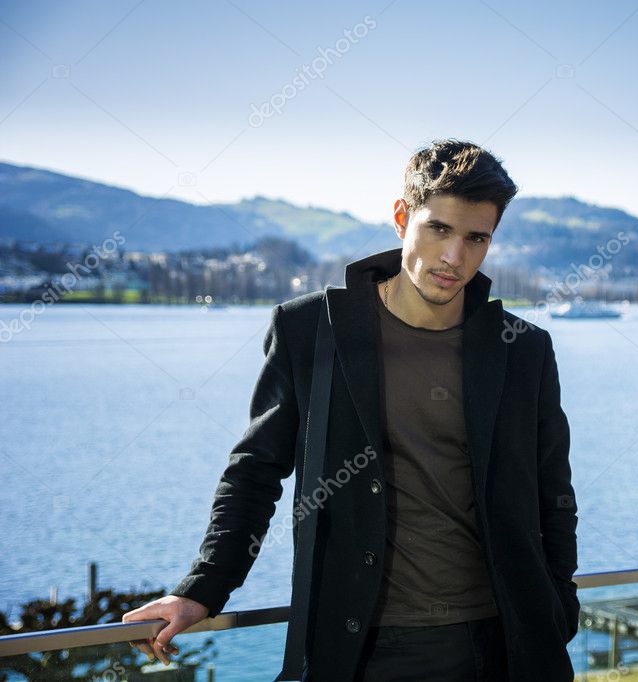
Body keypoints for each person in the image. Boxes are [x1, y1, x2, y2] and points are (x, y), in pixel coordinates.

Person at [123, 139, 579, 680]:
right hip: (362, 644)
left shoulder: (521, 348)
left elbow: (555, 494)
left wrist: (558, 606)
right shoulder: (310, 331)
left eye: (475, 238)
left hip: (505, 644)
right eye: (439, 229)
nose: (454, 257)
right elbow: (255, 472)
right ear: (401, 217)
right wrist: (201, 590)